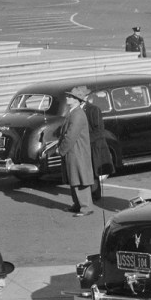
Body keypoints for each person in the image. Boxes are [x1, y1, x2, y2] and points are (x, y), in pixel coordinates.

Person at [59, 85, 95, 217]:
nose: (67, 98)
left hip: (77, 151)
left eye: (70, 96)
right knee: (74, 177)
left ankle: (86, 207)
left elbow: (70, 136)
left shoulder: (77, 114)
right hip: (74, 151)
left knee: (80, 178)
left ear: (76, 100)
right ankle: (78, 204)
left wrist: (61, 150)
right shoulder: (74, 112)